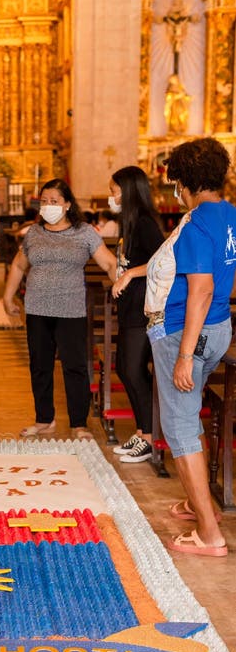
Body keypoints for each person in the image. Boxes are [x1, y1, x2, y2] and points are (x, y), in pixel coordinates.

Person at [145, 137, 234, 557]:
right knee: (189, 416)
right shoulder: (229, 215)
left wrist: (183, 354)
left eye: (175, 179)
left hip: (187, 332)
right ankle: (201, 505)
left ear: (186, 179)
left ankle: (209, 536)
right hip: (219, 328)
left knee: (180, 428)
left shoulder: (197, 223)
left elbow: (200, 289)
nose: (174, 187)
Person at [3, 178, 116, 439]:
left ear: (67, 204)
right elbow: (19, 265)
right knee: (40, 365)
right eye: (44, 201)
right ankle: (44, 420)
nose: (48, 206)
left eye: (54, 201)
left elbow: (108, 264)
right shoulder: (34, 233)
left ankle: (79, 423)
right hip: (37, 307)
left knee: (74, 366)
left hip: (70, 309)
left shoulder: (84, 232)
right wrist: (8, 298)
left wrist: (124, 283)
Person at [109, 166, 165, 463]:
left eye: (114, 191)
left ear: (128, 191)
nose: (112, 197)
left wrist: (129, 274)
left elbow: (163, 260)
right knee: (124, 368)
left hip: (143, 307)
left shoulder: (144, 223)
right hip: (130, 306)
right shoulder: (130, 224)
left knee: (133, 369)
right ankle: (143, 429)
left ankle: (150, 436)